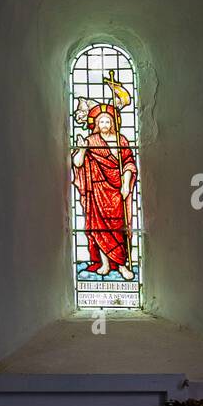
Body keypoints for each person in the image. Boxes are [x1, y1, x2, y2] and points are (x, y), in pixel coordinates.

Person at [71, 104, 136, 280]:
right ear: (97, 124)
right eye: (102, 121)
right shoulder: (91, 140)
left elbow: (129, 162)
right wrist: (83, 148)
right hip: (97, 190)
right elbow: (77, 163)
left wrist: (126, 183)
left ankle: (122, 265)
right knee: (99, 228)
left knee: (117, 228)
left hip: (117, 190)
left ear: (113, 123)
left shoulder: (121, 140)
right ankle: (105, 264)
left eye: (108, 120)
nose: (105, 123)